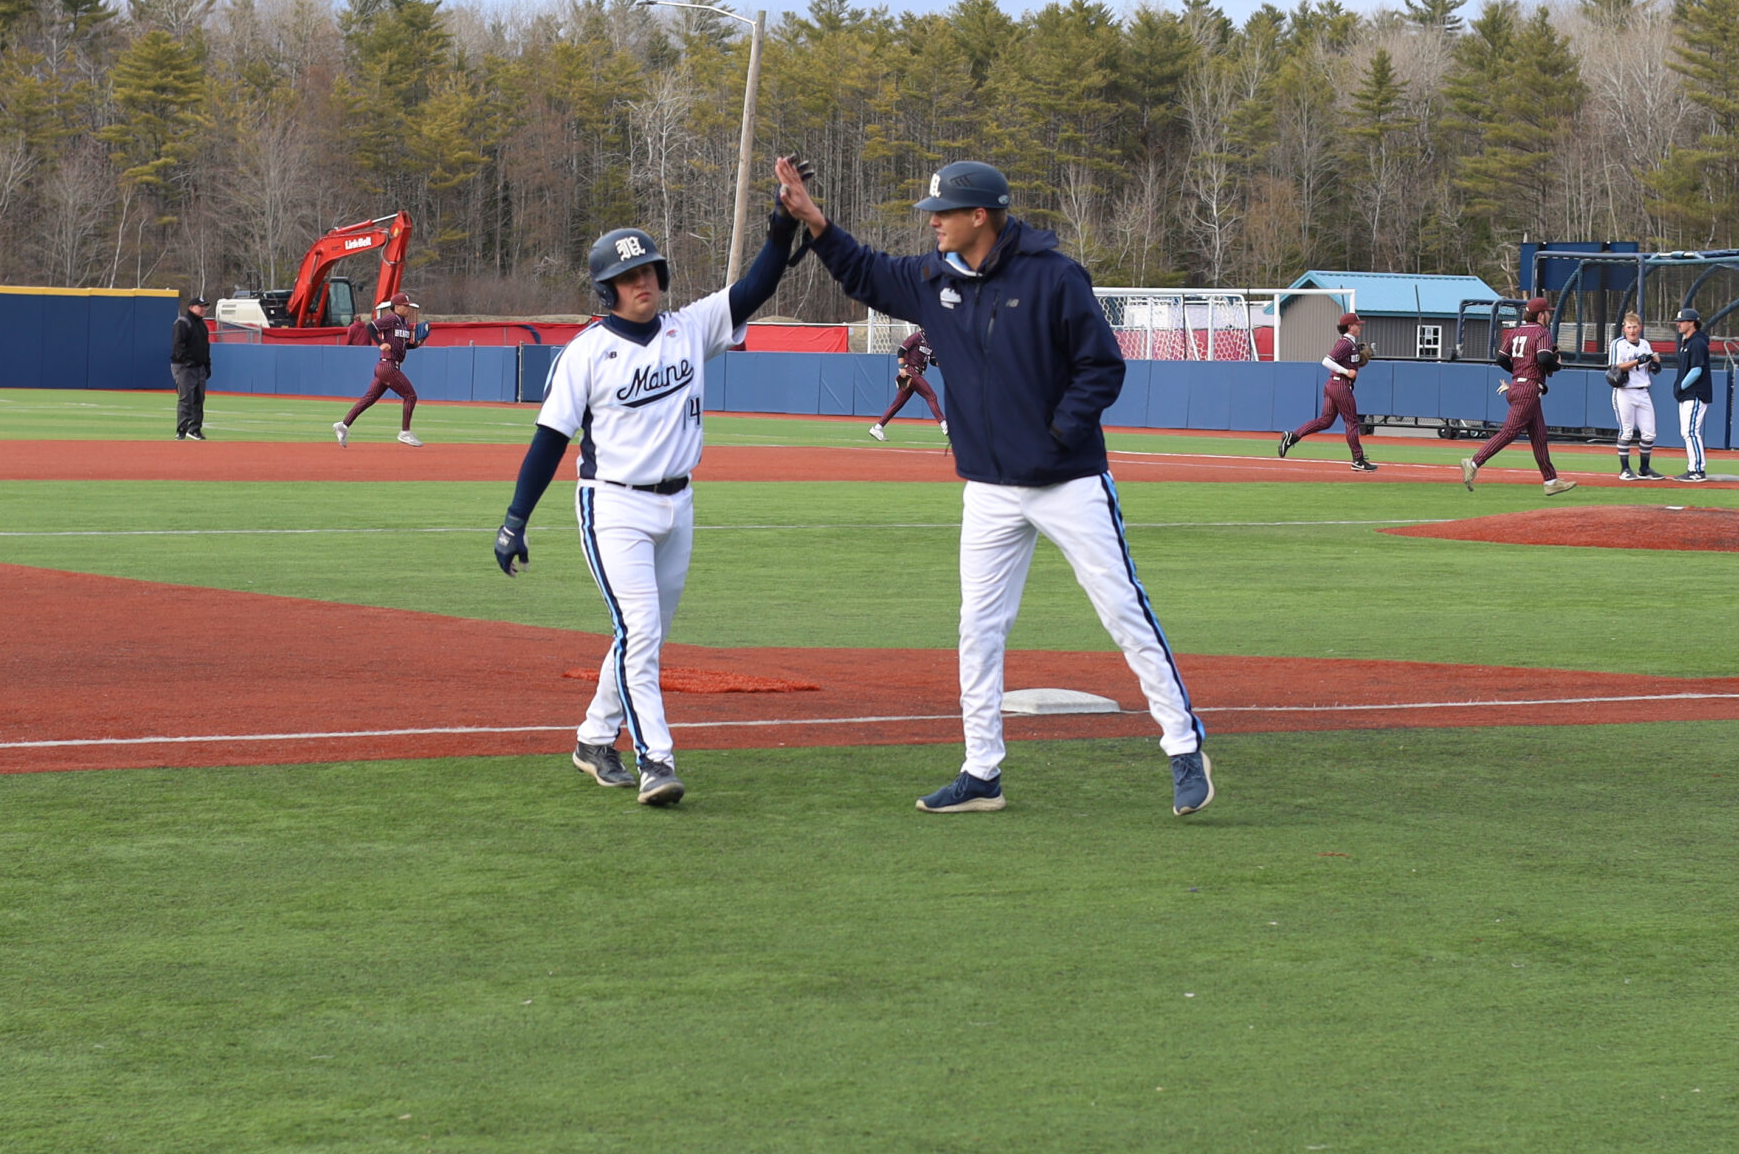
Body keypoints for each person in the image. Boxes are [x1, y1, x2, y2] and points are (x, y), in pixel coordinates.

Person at [774, 156, 1213, 818]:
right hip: (987, 488)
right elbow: (864, 271)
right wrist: (815, 222)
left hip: (1068, 481)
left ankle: (1184, 749)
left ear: (979, 216)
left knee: (1122, 611)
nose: (934, 226)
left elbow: (1102, 367)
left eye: (943, 214)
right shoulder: (933, 278)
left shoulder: (1054, 277)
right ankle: (982, 771)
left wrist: (1058, 434)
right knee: (977, 627)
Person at [492, 184, 806, 808]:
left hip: (679, 503)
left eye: (651, 272)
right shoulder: (585, 353)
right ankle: (655, 760)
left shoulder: (689, 329)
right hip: (613, 506)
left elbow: (753, 289)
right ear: (607, 288)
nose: (645, 283)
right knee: (639, 628)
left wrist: (780, 228)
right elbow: (550, 442)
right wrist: (514, 519)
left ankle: (590, 739)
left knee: (644, 635)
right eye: (629, 276)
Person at [1460, 295, 1576, 496]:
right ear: (1541, 315)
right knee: (1509, 432)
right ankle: (1473, 462)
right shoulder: (1542, 332)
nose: (1548, 315)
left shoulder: (1515, 333)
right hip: (1528, 389)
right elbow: (1544, 357)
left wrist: (1519, 372)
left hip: (1519, 387)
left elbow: (1501, 359)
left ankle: (1551, 480)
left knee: (1539, 437)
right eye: (1547, 312)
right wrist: (1557, 365)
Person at [1278, 312, 1376, 471]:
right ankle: (1358, 460)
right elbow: (1327, 361)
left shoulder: (1350, 345)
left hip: (1332, 385)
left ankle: (1293, 437)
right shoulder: (1345, 343)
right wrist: (1346, 372)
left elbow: (1348, 362)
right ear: (1350, 327)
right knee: (1351, 422)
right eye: (1357, 324)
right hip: (1341, 386)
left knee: (1326, 420)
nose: (1359, 326)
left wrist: (1357, 360)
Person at [333, 292, 427, 447]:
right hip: (388, 365)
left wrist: (416, 343)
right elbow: (370, 327)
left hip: (386, 367)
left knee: (369, 399)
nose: (408, 308)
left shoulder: (404, 323)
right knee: (410, 396)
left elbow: (403, 346)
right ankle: (405, 432)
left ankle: (343, 425)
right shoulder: (391, 318)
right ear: (396, 306)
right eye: (405, 305)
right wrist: (380, 343)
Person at [1606, 311, 1665, 481]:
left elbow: (1651, 368)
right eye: (1629, 327)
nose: (1632, 330)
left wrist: (1655, 363)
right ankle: (1625, 469)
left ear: (1640, 327)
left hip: (1643, 390)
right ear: (1624, 328)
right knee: (1626, 432)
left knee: (1649, 433)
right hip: (1625, 391)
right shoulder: (1618, 344)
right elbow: (1615, 367)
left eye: (1635, 327)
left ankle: (1644, 469)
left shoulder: (1645, 344)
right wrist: (1638, 361)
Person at [870, 329, 948, 441]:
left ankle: (877, 428)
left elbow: (932, 360)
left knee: (898, 403)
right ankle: (944, 424)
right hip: (910, 371)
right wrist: (901, 368)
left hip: (916, 372)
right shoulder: (916, 337)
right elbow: (901, 351)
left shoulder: (932, 341)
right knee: (931, 396)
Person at [1672, 307, 1712, 482]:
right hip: (1687, 395)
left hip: (1695, 393)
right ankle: (1693, 468)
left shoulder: (1697, 343)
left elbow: (1696, 370)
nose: (1678, 324)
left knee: (1690, 431)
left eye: (1682, 321)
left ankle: (1697, 470)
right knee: (1687, 431)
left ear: (1692, 323)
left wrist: (1681, 386)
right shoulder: (1688, 342)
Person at [170, 296, 211, 441]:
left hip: (199, 367)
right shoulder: (183, 323)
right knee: (186, 399)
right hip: (184, 367)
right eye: (201, 306)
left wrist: (207, 364)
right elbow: (178, 345)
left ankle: (195, 429)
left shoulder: (202, 325)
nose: (203, 309)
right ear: (191, 307)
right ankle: (181, 430)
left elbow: (205, 347)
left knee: (199, 399)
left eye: (204, 306)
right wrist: (186, 361)